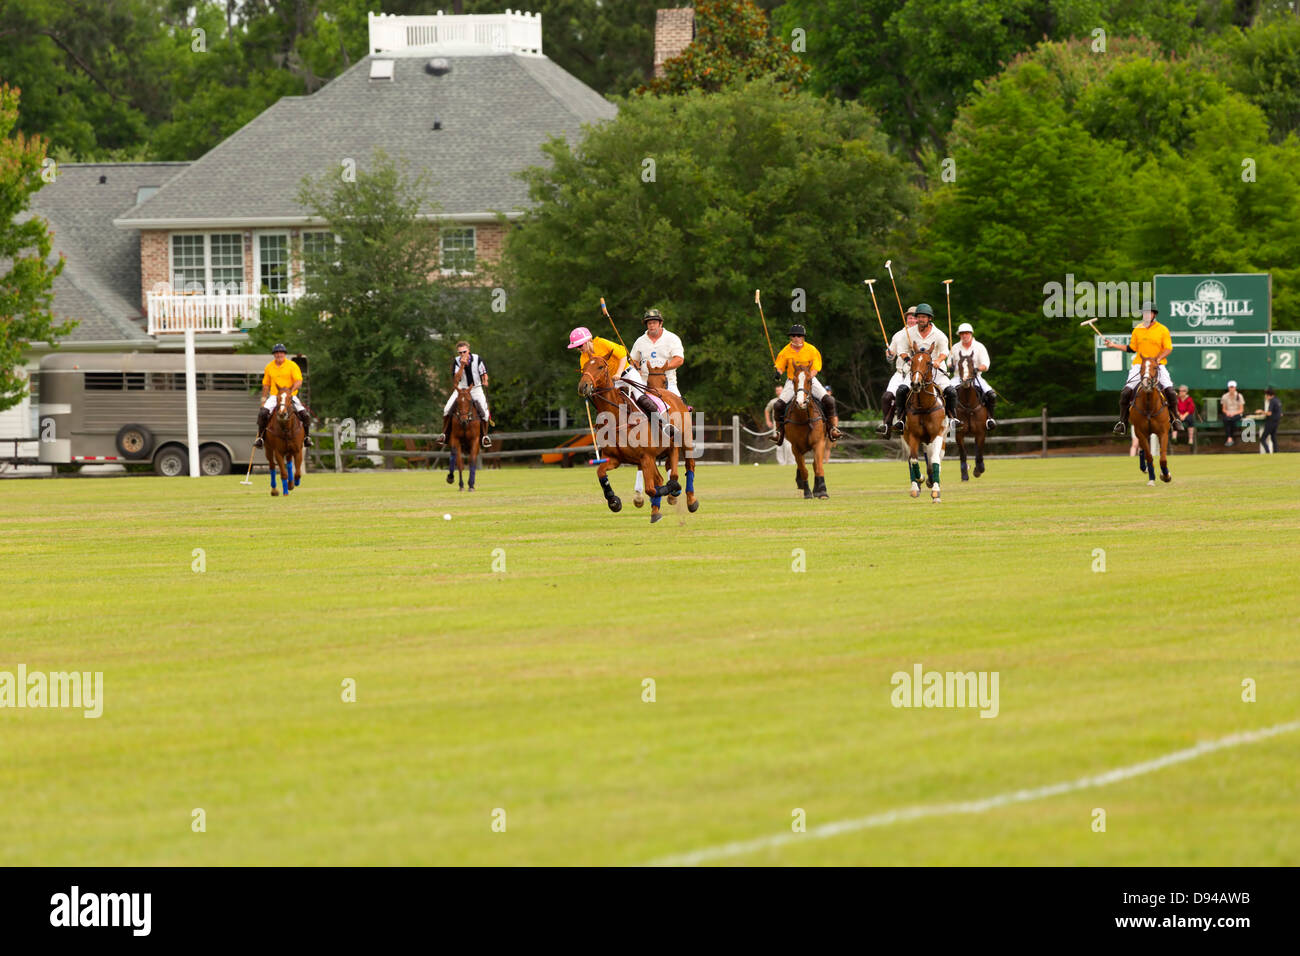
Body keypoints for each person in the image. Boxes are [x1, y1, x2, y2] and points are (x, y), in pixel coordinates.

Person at [568, 326, 675, 439]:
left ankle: (663, 423)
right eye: (576, 347)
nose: (578, 349)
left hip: (627, 373)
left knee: (640, 397)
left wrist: (618, 373)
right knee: (605, 403)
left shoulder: (602, 343)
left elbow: (622, 355)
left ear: (588, 341)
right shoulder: (583, 358)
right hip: (612, 383)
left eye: (579, 346)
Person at [1105, 301, 1183, 436]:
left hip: (1157, 365)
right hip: (1139, 366)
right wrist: (1113, 345)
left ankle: (1176, 419)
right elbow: (1131, 348)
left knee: (1170, 391)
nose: (1146, 315)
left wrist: (1158, 359)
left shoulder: (1162, 329)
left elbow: (1168, 348)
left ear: (1154, 314)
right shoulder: (1137, 329)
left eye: (1149, 313)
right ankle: (1122, 422)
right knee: (1125, 393)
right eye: (1144, 313)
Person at [771, 324, 842, 445]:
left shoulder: (811, 350)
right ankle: (779, 432)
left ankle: (832, 429)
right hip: (792, 380)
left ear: (803, 337)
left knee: (829, 401)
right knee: (778, 405)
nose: (796, 338)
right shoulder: (786, 351)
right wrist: (778, 372)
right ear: (790, 337)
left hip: (810, 379)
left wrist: (808, 378)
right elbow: (780, 365)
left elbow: (815, 367)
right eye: (793, 336)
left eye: (799, 335)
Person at [894, 303, 956, 429]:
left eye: (924, 317)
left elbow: (945, 351)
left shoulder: (939, 334)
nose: (920, 319)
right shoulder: (909, 333)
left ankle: (953, 419)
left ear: (929, 319)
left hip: (936, 371)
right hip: (917, 370)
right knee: (901, 391)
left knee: (951, 392)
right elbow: (901, 350)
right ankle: (900, 420)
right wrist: (910, 362)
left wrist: (938, 360)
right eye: (919, 317)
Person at [436, 340, 492, 449]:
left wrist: (485, 380)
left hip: (476, 388)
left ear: (468, 351)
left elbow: (484, 373)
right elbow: (456, 379)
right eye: (460, 353)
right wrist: (462, 366)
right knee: (447, 409)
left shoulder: (477, 358)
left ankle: (485, 437)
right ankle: (444, 435)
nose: (462, 354)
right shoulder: (457, 361)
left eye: (464, 352)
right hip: (461, 389)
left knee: (485, 414)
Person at [254, 344, 312, 448]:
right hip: (274, 396)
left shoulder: (292, 365)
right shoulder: (269, 367)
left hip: (290, 396)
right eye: (276, 353)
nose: (279, 354)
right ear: (274, 355)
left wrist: (290, 391)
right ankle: (261, 438)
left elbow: (299, 381)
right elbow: (266, 385)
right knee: (262, 413)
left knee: (305, 415)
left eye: (281, 352)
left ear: (285, 354)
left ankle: (307, 437)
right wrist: (263, 400)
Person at [947, 321, 998, 429]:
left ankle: (989, 419)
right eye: (962, 333)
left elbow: (985, 364)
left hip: (975, 377)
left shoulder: (979, 347)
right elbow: (949, 362)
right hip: (958, 378)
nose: (964, 335)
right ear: (959, 335)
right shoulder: (955, 347)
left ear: (971, 334)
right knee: (945, 393)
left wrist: (977, 369)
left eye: (967, 333)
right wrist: (951, 366)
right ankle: (949, 419)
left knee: (991, 395)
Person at [877, 306, 918, 436]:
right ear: (906, 319)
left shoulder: (923, 334)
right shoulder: (898, 335)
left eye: (914, 317)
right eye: (909, 317)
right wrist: (889, 355)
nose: (911, 320)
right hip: (900, 373)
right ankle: (887, 425)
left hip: (917, 374)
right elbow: (891, 356)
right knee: (887, 397)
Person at [629, 309, 684, 397]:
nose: (651, 325)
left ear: (660, 323)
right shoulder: (640, 341)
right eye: (649, 323)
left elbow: (679, 359)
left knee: (681, 405)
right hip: (644, 383)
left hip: (668, 382)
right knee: (630, 403)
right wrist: (638, 369)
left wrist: (663, 368)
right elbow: (633, 360)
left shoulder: (672, 338)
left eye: (654, 322)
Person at [765, 385, 794, 465]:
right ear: (776, 392)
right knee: (779, 446)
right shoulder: (773, 402)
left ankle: (791, 462)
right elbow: (767, 410)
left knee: (789, 446)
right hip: (777, 427)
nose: (779, 392)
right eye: (777, 390)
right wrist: (768, 421)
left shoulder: (788, 400)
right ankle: (781, 463)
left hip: (788, 425)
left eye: (780, 390)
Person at [1254, 387, 1282, 454]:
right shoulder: (1277, 400)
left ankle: (1268, 452)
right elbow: (1280, 413)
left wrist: (1261, 411)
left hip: (1271, 422)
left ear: (1269, 395)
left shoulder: (1272, 401)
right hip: (1276, 422)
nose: (1265, 396)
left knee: (1262, 439)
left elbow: (1269, 413)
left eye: (1266, 395)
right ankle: (1276, 452)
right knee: (1273, 438)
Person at [1220, 380, 1245, 446]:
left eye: (1233, 387)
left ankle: (1230, 438)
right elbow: (1223, 409)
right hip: (1228, 413)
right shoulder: (1225, 396)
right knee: (1226, 419)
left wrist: (1234, 413)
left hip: (1237, 413)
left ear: (1235, 387)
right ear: (1228, 388)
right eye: (1230, 387)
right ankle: (1229, 438)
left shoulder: (1239, 396)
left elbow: (1241, 410)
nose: (1231, 388)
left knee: (1232, 419)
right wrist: (1227, 413)